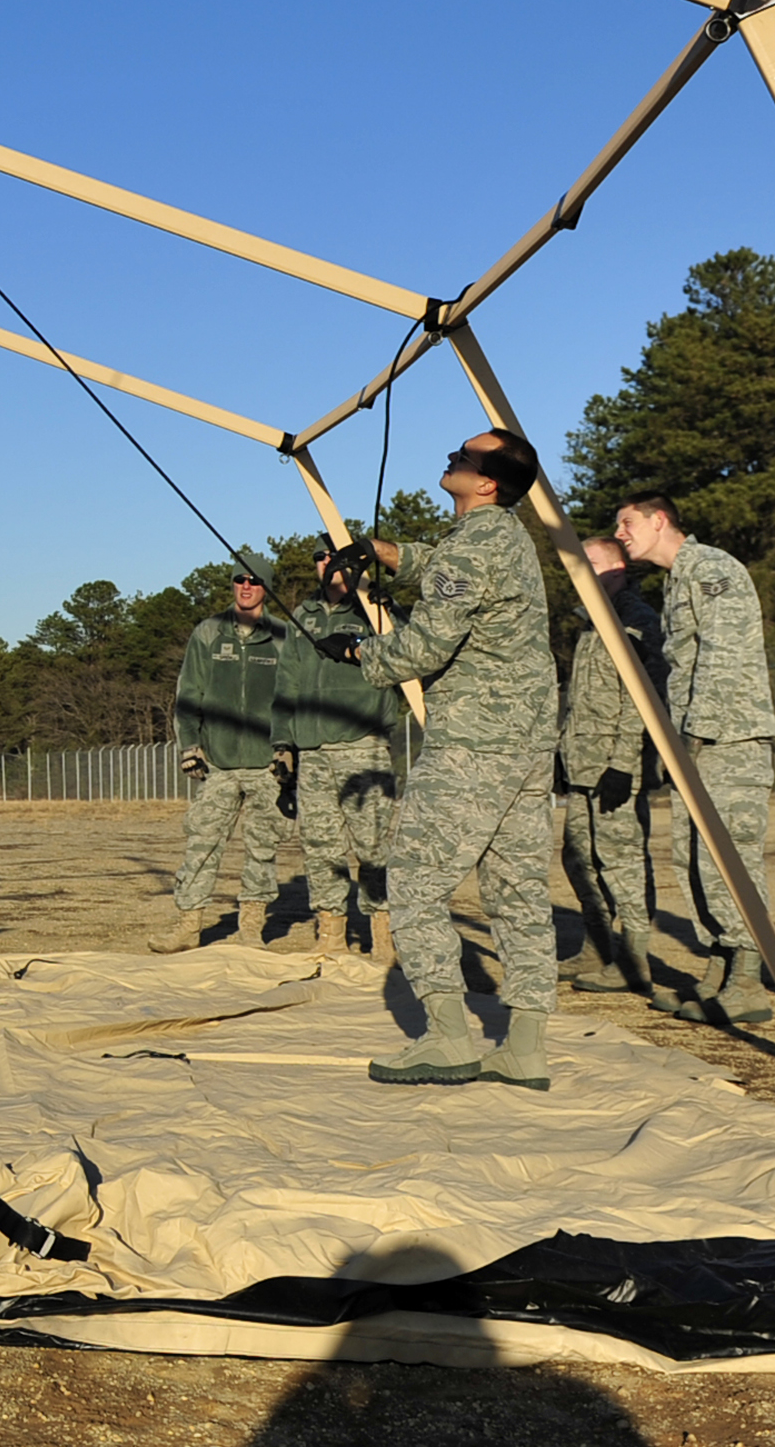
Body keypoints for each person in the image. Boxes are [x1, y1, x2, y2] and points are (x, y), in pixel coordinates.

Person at [318, 431, 563, 1089]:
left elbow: (421, 648)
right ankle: (526, 1048)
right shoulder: (499, 538)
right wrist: (382, 552)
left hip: (475, 744)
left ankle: (450, 1038)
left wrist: (356, 654)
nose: (452, 457)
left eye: (465, 456)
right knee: (516, 891)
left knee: (416, 880)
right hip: (527, 741)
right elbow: (441, 567)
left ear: (486, 482)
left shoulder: (478, 545)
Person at [612, 495, 775, 1027]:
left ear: (659, 521)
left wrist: (695, 734)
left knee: (728, 859)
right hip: (698, 741)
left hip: (727, 740)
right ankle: (722, 964)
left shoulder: (711, 568)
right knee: (695, 860)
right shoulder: (678, 579)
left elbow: (724, 653)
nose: (620, 534)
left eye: (627, 523)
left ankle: (748, 979)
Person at [154, 562, 290, 951]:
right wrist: (190, 746)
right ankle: (188, 925)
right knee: (201, 843)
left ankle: (251, 928)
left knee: (262, 848)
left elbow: (295, 697)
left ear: (266, 587)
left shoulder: (285, 635)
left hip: (267, 765)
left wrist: (287, 749)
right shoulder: (208, 632)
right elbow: (188, 693)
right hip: (219, 763)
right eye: (240, 580)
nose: (246, 587)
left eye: (255, 581)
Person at [276, 555, 404, 958]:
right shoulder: (303, 615)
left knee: (372, 846)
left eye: (335, 555)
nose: (327, 564)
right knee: (320, 845)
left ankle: (383, 933)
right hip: (313, 748)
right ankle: (331, 933)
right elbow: (287, 679)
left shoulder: (374, 609)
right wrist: (283, 742)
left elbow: (412, 647)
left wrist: (390, 613)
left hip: (361, 743)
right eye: (319, 558)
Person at [554, 533, 664, 1001]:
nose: (584, 575)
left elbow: (641, 700)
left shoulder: (637, 622)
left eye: (593, 565)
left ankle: (634, 959)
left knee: (621, 862)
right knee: (579, 860)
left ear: (618, 570)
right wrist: (563, 754)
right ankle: (597, 947)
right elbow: (582, 701)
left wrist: (622, 764)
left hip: (614, 769)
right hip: (582, 764)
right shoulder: (591, 624)